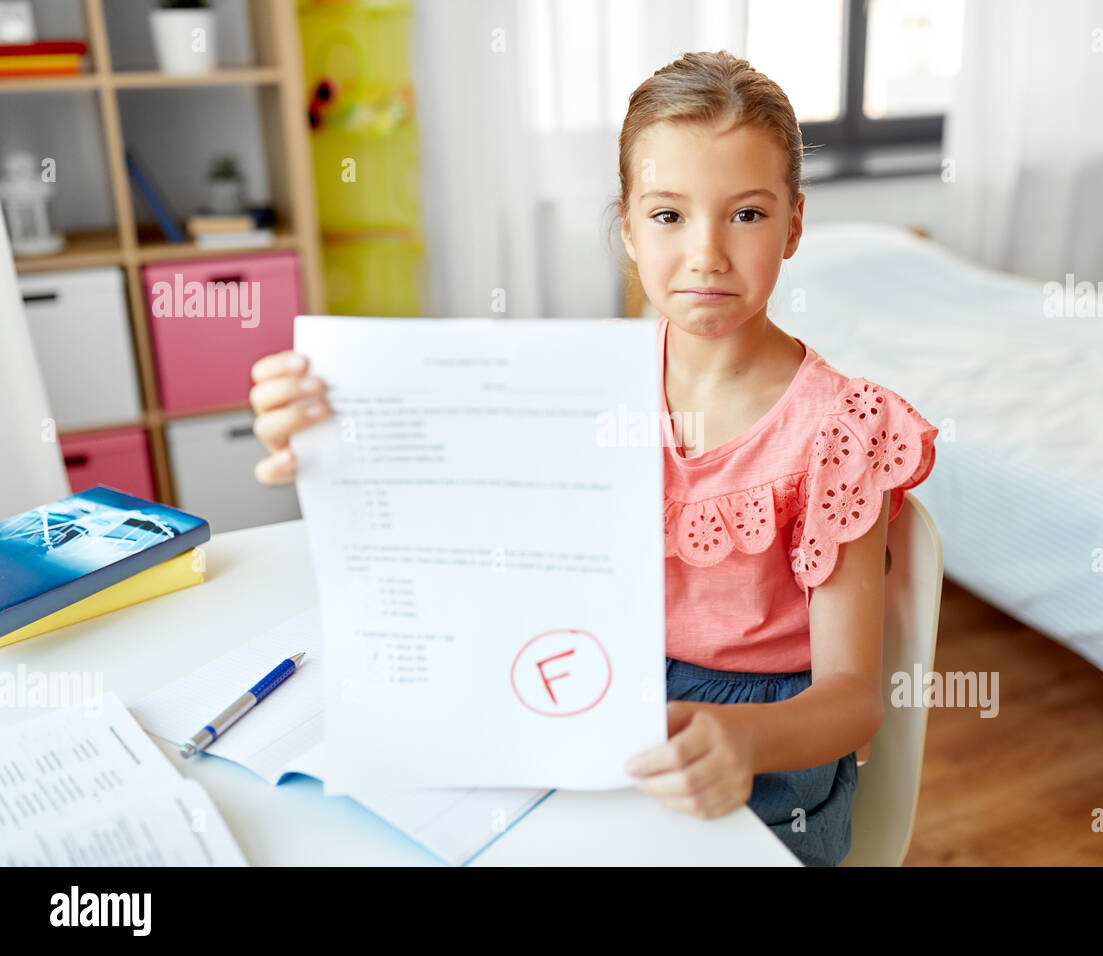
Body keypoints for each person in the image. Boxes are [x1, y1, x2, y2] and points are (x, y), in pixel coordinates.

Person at [249, 50, 938, 866]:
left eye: (746, 214)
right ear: (627, 227)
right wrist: (333, 443)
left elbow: (855, 701)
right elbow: (460, 522)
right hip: (587, 708)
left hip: (761, 764)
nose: (707, 254)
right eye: (668, 215)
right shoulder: (576, 386)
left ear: (793, 223)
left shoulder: (841, 430)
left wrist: (741, 735)